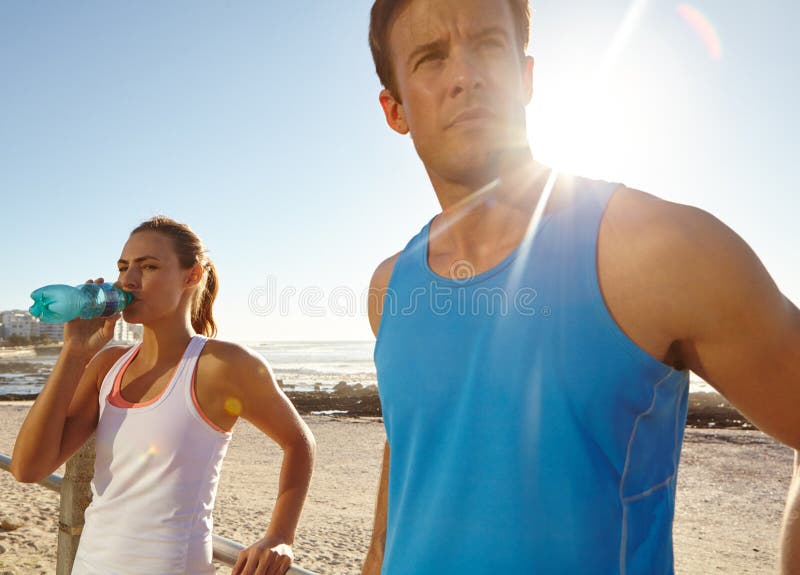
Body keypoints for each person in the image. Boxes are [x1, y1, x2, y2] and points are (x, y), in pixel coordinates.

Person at [361, 0, 800, 573]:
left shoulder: (663, 249)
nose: (465, 76)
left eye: (489, 46)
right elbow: (411, 469)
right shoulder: (391, 288)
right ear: (395, 110)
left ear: (525, 77)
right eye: (431, 57)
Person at [11, 216, 316, 575]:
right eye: (123, 267)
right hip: (90, 565)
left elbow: (299, 442)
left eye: (149, 266)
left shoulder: (225, 364)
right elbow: (28, 468)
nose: (128, 280)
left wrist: (280, 535)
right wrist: (74, 353)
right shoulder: (107, 364)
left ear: (193, 275)